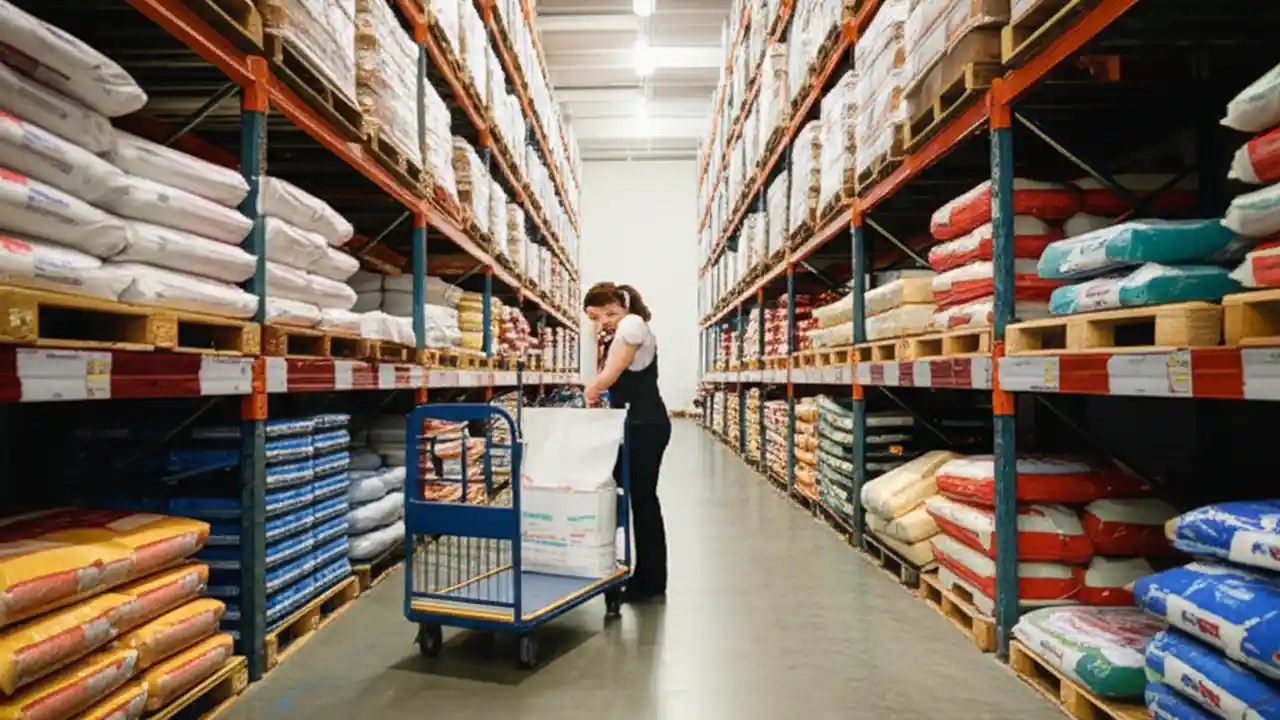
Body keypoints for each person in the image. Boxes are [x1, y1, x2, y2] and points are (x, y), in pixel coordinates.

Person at [582, 282, 671, 602]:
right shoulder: (621, 330)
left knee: (643, 500)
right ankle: (645, 575)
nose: (602, 321)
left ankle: (649, 581)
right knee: (638, 498)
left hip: (645, 424)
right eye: (594, 317)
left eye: (609, 312)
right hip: (637, 424)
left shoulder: (632, 324)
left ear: (624, 306)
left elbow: (612, 373)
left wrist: (589, 392)